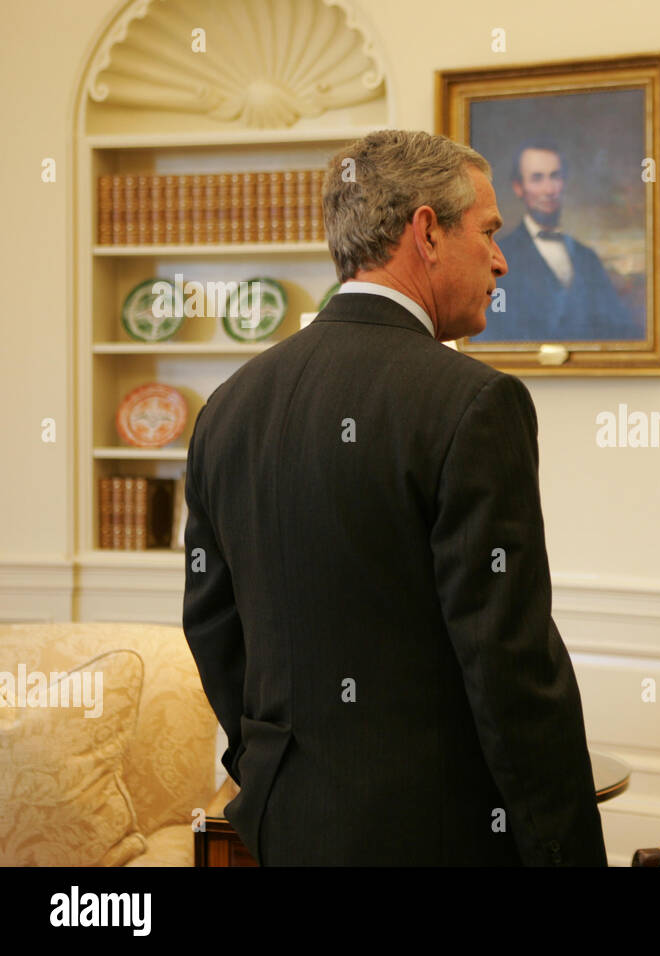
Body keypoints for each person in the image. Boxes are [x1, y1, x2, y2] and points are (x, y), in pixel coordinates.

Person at [182, 129, 607, 866]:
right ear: (426, 232)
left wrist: (269, 771)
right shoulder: (475, 403)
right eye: (489, 231)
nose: (502, 259)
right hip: (437, 834)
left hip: (286, 826)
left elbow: (211, 625)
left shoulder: (228, 405)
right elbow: (509, 667)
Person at [471, 142, 640, 342]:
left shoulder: (588, 258)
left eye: (555, 177)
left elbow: (618, 328)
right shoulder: (498, 258)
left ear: (564, 183)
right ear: (519, 187)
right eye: (537, 178)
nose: (549, 189)